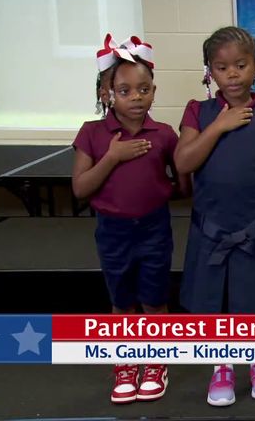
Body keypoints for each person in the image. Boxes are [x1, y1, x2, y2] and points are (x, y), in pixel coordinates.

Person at [174, 26, 255, 407]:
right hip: (212, 230)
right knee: (216, 304)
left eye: (241, 65)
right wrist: (220, 125)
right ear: (210, 72)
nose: (233, 74)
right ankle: (221, 366)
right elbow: (184, 161)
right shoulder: (198, 111)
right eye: (222, 67)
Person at [73, 34, 186, 404]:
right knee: (122, 302)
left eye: (144, 89)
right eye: (125, 90)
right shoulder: (92, 134)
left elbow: (182, 179)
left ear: (154, 91)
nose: (136, 97)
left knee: (154, 300)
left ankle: (156, 362)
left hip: (154, 227)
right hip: (113, 231)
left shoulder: (165, 134)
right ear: (107, 94)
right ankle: (125, 362)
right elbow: (80, 189)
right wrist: (113, 157)